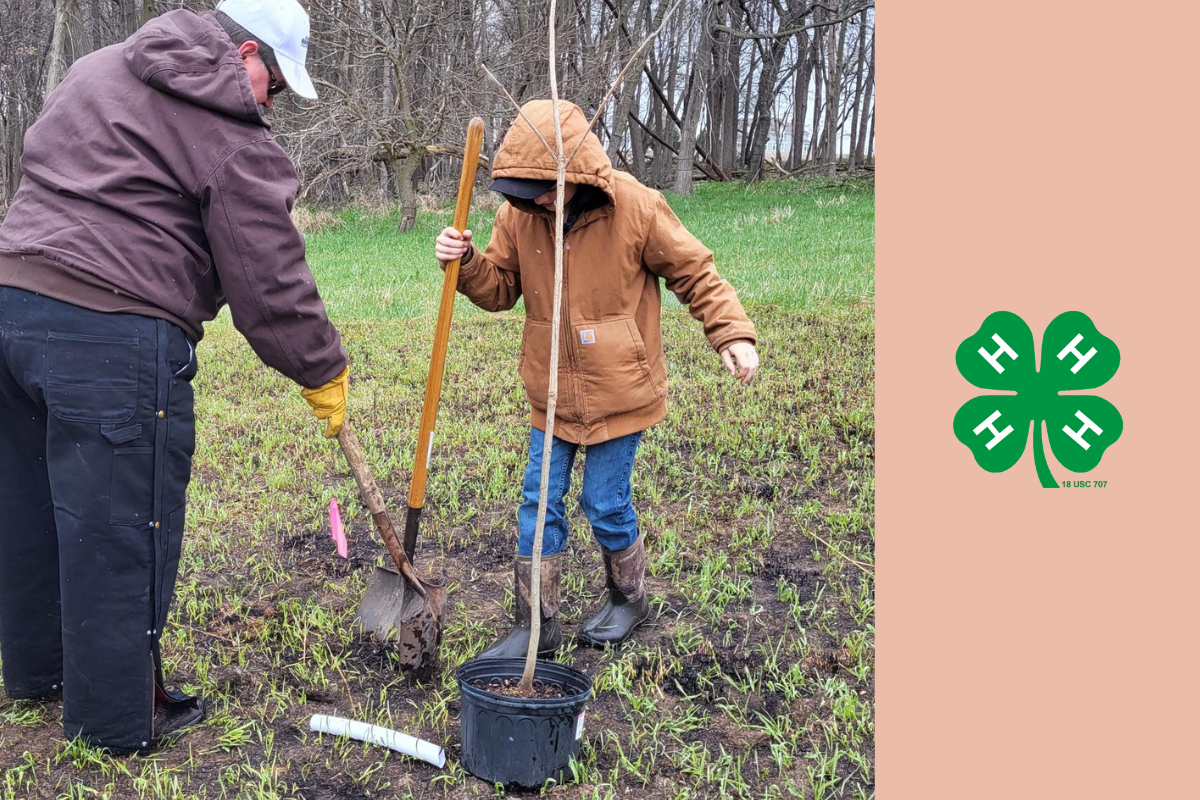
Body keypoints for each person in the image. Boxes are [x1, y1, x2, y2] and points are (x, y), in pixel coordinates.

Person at [0, 0, 347, 753]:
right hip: (111, 336)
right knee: (121, 526)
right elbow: (270, 279)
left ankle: (38, 673)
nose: (270, 103)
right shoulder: (225, 125)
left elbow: (37, 160)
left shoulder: (98, 68)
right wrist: (321, 368)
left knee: (30, 510)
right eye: (275, 86)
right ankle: (117, 719)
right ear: (246, 53)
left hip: (10, 314)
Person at [434, 99, 760, 658]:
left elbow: (695, 271)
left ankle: (627, 597)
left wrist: (732, 333)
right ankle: (535, 622)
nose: (534, 198)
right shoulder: (519, 216)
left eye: (543, 186)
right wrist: (463, 264)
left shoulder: (636, 206)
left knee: (604, 503)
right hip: (550, 391)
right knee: (538, 503)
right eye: (522, 189)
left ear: (575, 172)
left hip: (621, 393)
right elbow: (500, 290)